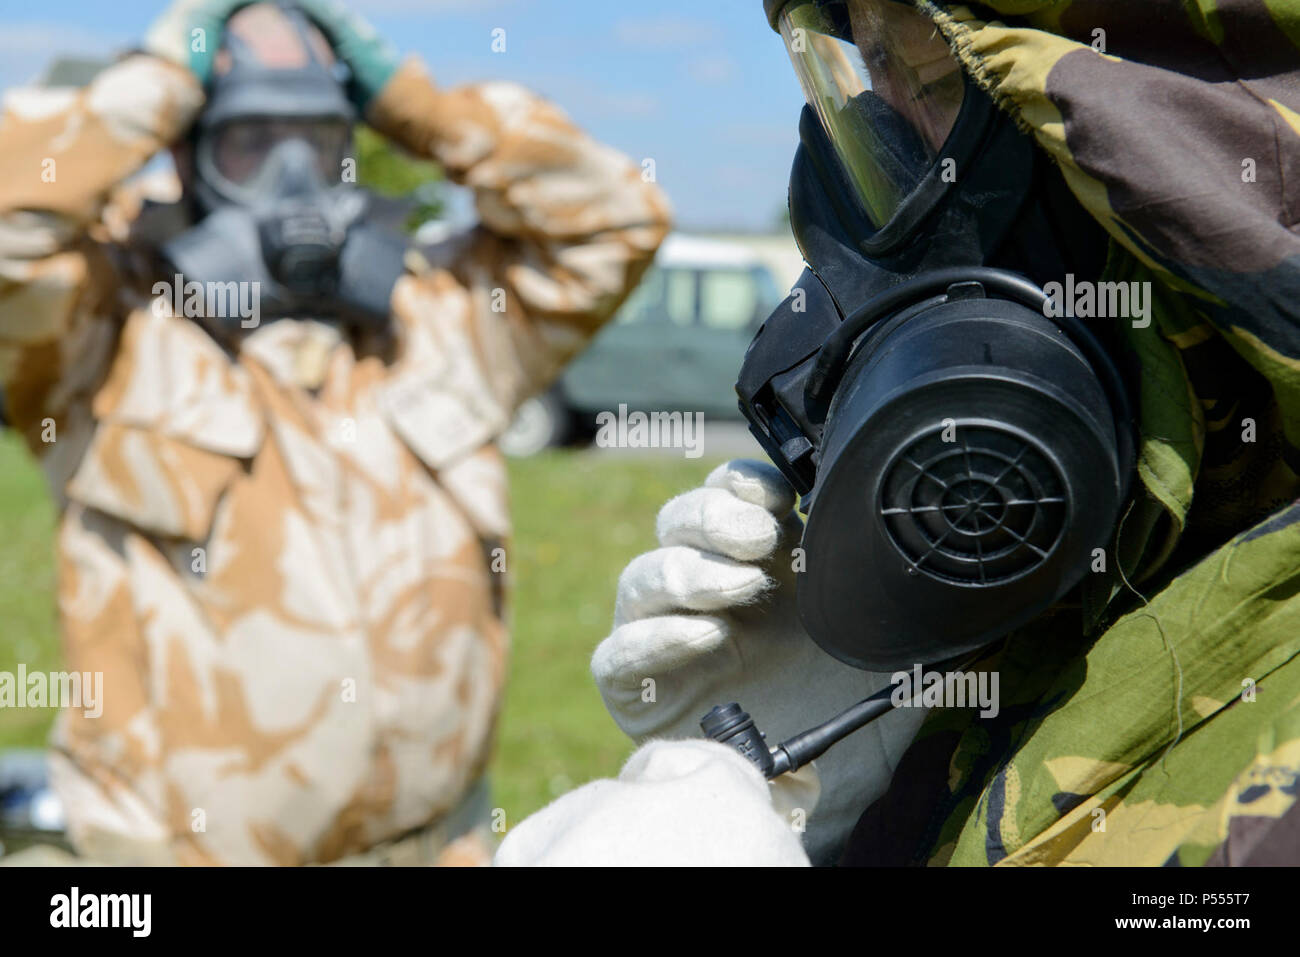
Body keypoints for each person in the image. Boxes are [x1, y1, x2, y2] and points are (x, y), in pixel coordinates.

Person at [498, 0, 1300, 866]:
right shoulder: (1121, 568)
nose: (888, 149)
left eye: (933, 80)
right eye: (865, 85)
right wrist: (835, 789)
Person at [0, 0, 669, 865]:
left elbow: (617, 220)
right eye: (249, 143)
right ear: (184, 151)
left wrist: (411, 102)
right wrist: (162, 77)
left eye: (315, 140)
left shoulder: (437, 318)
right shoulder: (110, 328)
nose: (290, 177)